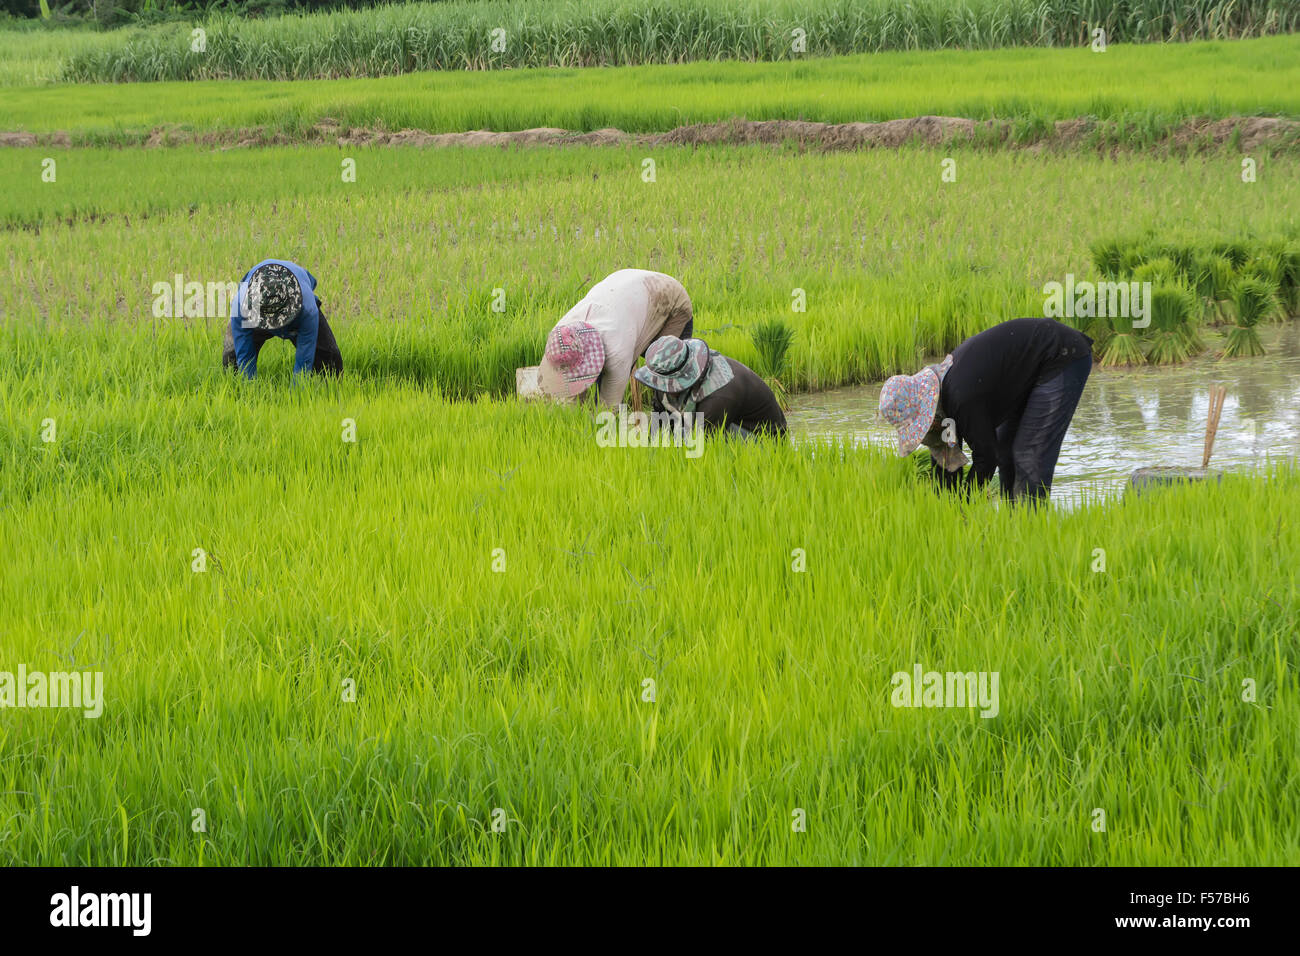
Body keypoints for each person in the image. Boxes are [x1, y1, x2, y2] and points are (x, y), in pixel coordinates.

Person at [878, 317, 1093, 502]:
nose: (927, 428)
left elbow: (986, 457)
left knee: (1028, 455)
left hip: (1060, 356)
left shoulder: (961, 397)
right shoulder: (945, 402)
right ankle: (1013, 528)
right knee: (1007, 451)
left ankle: (1031, 528)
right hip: (1028, 369)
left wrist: (966, 503)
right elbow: (947, 457)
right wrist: (946, 509)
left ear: (928, 408)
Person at [537, 270, 693, 406]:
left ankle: (670, 423)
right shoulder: (560, 335)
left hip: (668, 299)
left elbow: (609, 407)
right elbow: (572, 388)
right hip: (625, 290)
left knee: (663, 370)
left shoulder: (616, 350)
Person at [633, 336, 787, 438]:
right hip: (715, 422)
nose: (662, 389)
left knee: (703, 443)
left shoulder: (718, 394)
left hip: (761, 438)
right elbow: (660, 424)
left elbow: (703, 445)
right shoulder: (663, 378)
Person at [222, 259, 342, 379]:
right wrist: (248, 388)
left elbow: (304, 360)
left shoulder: (307, 309)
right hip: (255, 314)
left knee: (329, 360)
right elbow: (244, 354)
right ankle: (236, 389)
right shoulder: (241, 305)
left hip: (297, 316)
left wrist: (297, 394)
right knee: (233, 361)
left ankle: (326, 389)